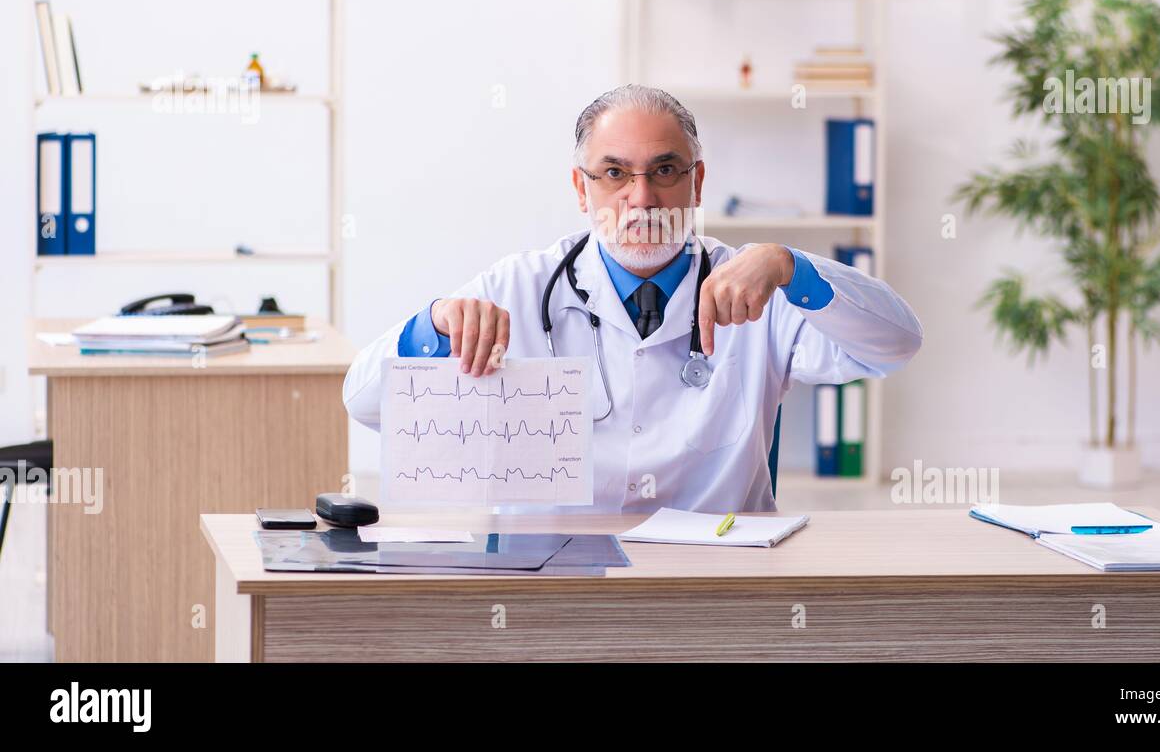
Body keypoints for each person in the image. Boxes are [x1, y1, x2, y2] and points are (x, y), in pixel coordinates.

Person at [343, 85, 922, 512]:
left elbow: (895, 345)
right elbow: (364, 403)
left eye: (664, 170)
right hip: (553, 584)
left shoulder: (757, 288)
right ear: (581, 188)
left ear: (696, 182)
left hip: (713, 585)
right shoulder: (519, 287)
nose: (641, 197)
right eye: (615, 173)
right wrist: (437, 327)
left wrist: (793, 267)